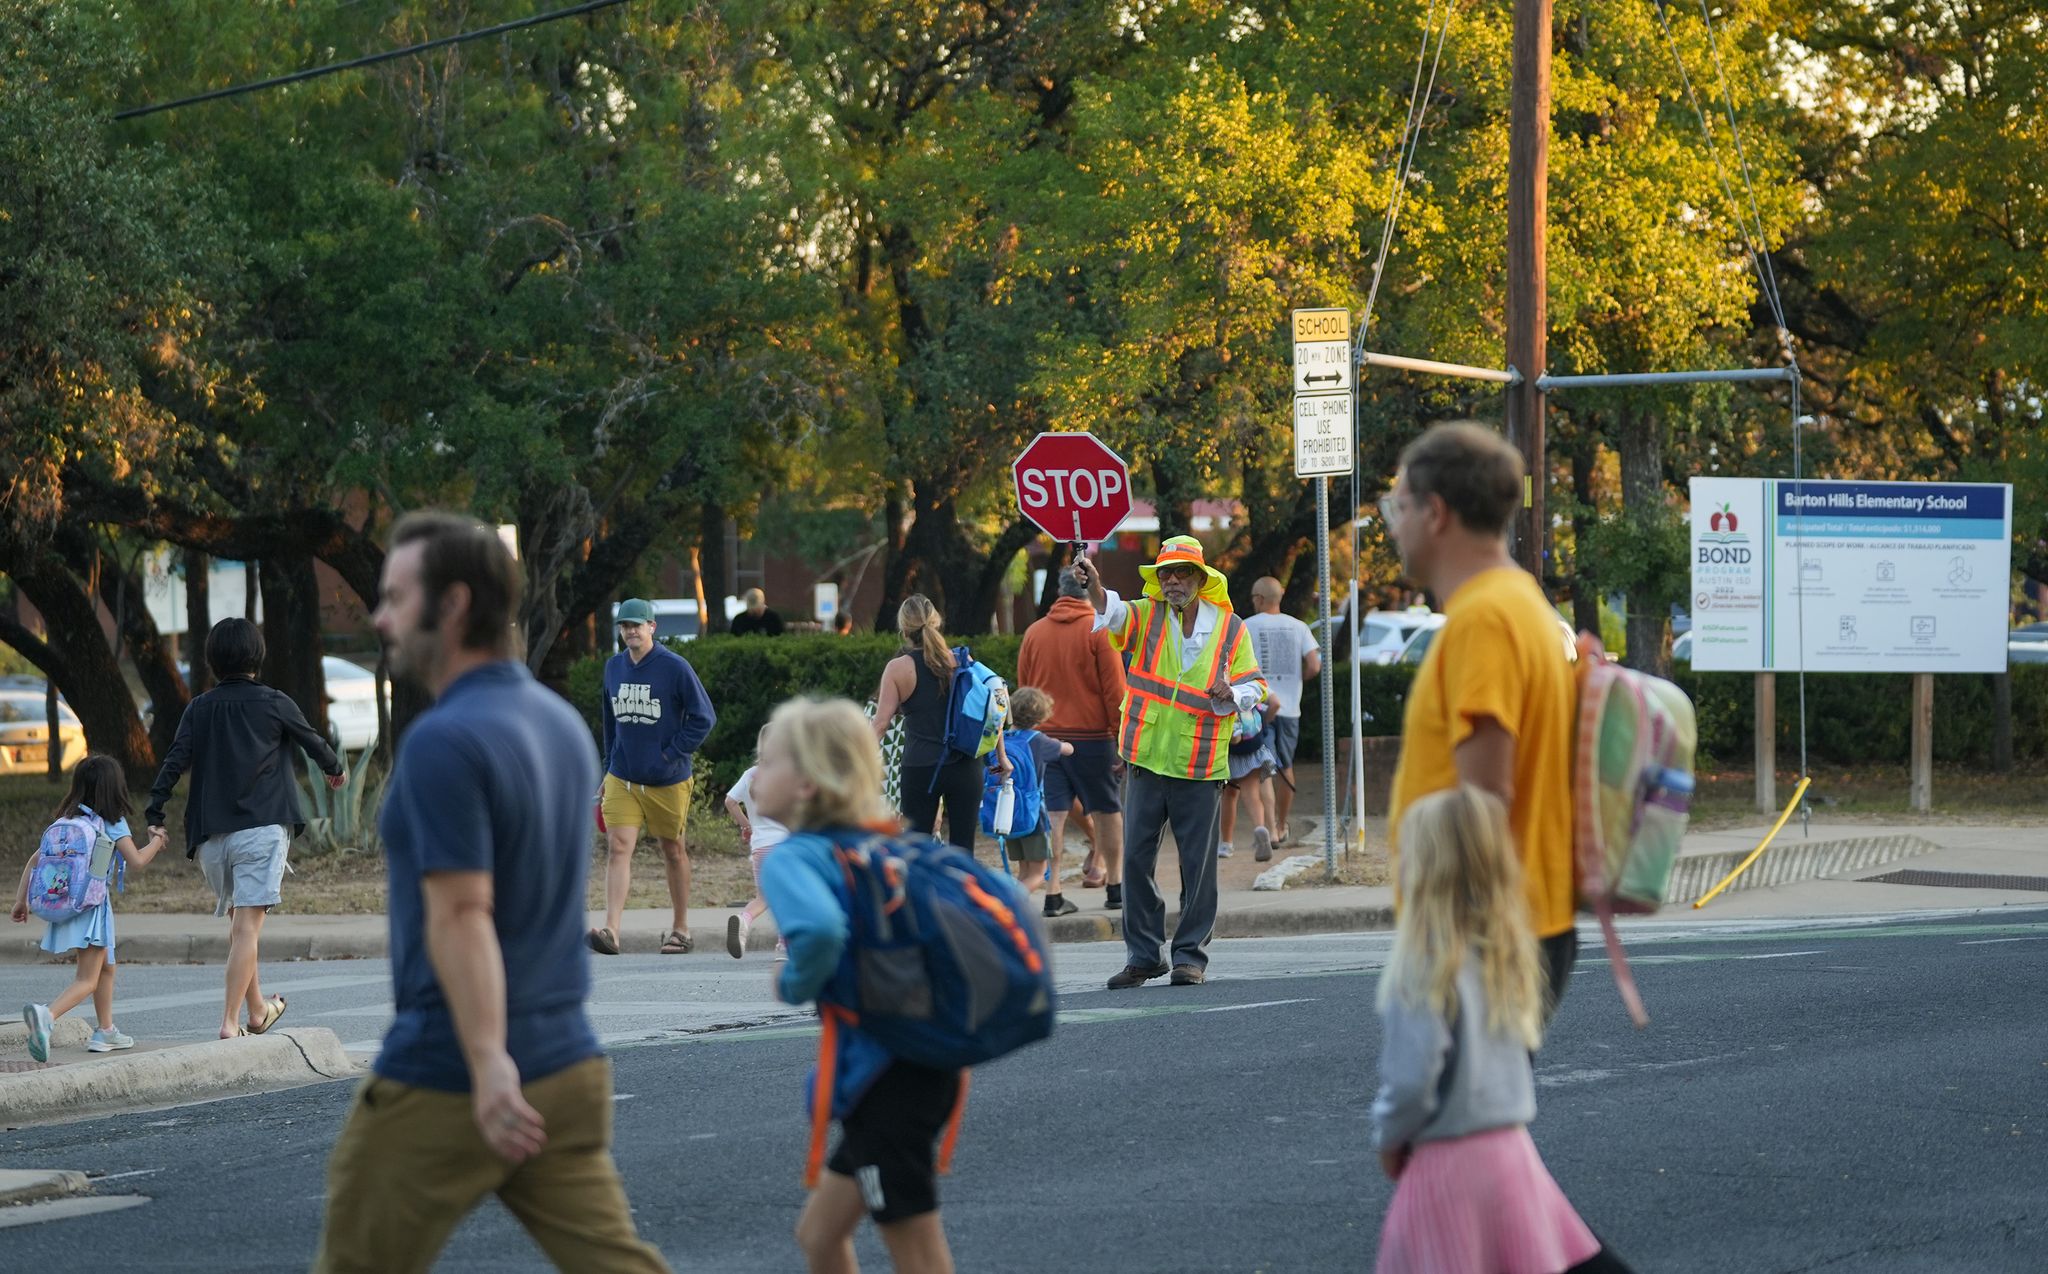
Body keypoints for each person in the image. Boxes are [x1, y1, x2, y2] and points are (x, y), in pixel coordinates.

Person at [314, 512, 669, 1274]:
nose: (378, 616)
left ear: (453, 604)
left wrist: (485, 1063)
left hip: (453, 1071)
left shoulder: (445, 741)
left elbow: (464, 913)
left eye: (397, 597)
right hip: (567, 1063)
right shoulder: (560, 723)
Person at [1372, 785, 1630, 1274]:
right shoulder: (1507, 959)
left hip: (1445, 1165)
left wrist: (1388, 1137)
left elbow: (1409, 1081)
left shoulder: (1424, 968)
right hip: (1512, 1154)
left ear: (1424, 870)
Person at [753, 697, 966, 1274]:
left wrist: (792, 983)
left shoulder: (794, 858)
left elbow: (819, 931)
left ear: (805, 784)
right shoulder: (881, 844)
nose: (755, 775)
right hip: (923, 1061)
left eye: (766, 762)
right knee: (819, 1234)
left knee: (914, 1245)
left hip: (885, 1076)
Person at [1382, 422, 1580, 1014]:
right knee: (1489, 1108)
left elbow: (1485, 799)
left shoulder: (1485, 620)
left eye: (1400, 506)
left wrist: (1447, 948)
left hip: (1480, 928)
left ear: (1436, 513)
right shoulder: (1519, 601)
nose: (1395, 525)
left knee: (1470, 1108)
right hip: (1518, 917)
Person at [1072, 536, 1267, 989]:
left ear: (1201, 579)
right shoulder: (1146, 613)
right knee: (1135, 861)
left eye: (1181, 572)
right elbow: (1111, 610)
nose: (1172, 580)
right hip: (1145, 758)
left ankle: (1189, 957)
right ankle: (1144, 955)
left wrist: (1233, 693)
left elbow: (1256, 685)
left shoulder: (1231, 627)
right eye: (1165, 573)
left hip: (1199, 763)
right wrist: (1094, 584)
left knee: (1197, 867)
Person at [146, 616, 347, 1040]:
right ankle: (229, 1022)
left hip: (211, 840)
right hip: (261, 829)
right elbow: (313, 741)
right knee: (247, 929)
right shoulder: (274, 701)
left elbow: (173, 761)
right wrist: (335, 770)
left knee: (241, 927)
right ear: (257, 656)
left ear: (212, 660)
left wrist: (155, 813)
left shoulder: (199, 708)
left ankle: (257, 1011)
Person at [12, 756, 168, 1060]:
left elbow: (35, 860)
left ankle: (105, 1030)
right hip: (93, 907)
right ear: (114, 787)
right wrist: (158, 842)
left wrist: (21, 900)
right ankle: (46, 1016)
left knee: (107, 965)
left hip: (69, 902)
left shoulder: (67, 819)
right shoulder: (111, 821)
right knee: (87, 979)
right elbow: (136, 861)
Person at [593, 598, 717, 956]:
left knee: (672, 849)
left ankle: (681, 929)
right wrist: (608, 766)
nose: (631, 630)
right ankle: (611, 931)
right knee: (618, 848)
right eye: (625, 625)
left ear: (652, 628)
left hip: (667, 779)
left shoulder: (674, 667)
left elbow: (703, 718)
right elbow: (609, 720)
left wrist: (670, 753)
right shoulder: (614, 667)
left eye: (637, 624)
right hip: (623, 777)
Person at [1016, 565, 1129, 910]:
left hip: (1044, 737)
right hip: (1094, 737)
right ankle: (1114, 886)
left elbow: (1023, 686)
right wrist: (1120, 738)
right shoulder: (1099, 630)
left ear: (1058, 591)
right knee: (1107, 810)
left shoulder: (1034, 633)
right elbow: (1115, 690)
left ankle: (1053, 892)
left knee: (1053, 815)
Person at [870, 595, 1007, 853]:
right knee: (963, 851)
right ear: (936, 622)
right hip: (965, 765)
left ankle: (923, 894)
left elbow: (880, 724)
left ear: (904, 629)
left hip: (920, 767)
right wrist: (1001, 756)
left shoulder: (898, 668)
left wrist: (852, 761)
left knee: (916, 850)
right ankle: (958, 894)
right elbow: (995, 706)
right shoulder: (963, 662)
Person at [1242, 575, 1320, 844]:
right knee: (1286, 767)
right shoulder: (1298, 627)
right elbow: (1314, 665)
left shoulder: (1246, 626)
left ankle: (1268, 830)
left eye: (1253, 598)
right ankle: (1282, 823)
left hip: (1257, 707)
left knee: (1262, 768)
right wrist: (1298, 679)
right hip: (1289, 708)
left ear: (1260, 599)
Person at [997, 687, 1076, 917]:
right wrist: (1066, 744)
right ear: (1040, 716)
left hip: (1009, 815)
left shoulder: (1005, 739)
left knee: (1023, 870)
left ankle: (1018, 912)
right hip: (1033, 817)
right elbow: (1066, 750)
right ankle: (1006, 906)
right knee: (1038, 872)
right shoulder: (1038, 740)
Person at [724, 725, 791, 960]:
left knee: (763, 898)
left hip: (761, 846)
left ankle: (744, 921)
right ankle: (784, 945)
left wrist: (747, 826)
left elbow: (730, 802)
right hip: (786, 846)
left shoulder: (751, 774)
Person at [1217, 700, 1278, 861]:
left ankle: (1226, 843)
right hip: (1252, 747)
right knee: (1252, 795)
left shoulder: (1225, 690)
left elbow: (1234, 739)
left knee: (1229, 797)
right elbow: (1275, 702)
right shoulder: (1249, 686)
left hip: (1232, 751)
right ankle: (1260, 828)